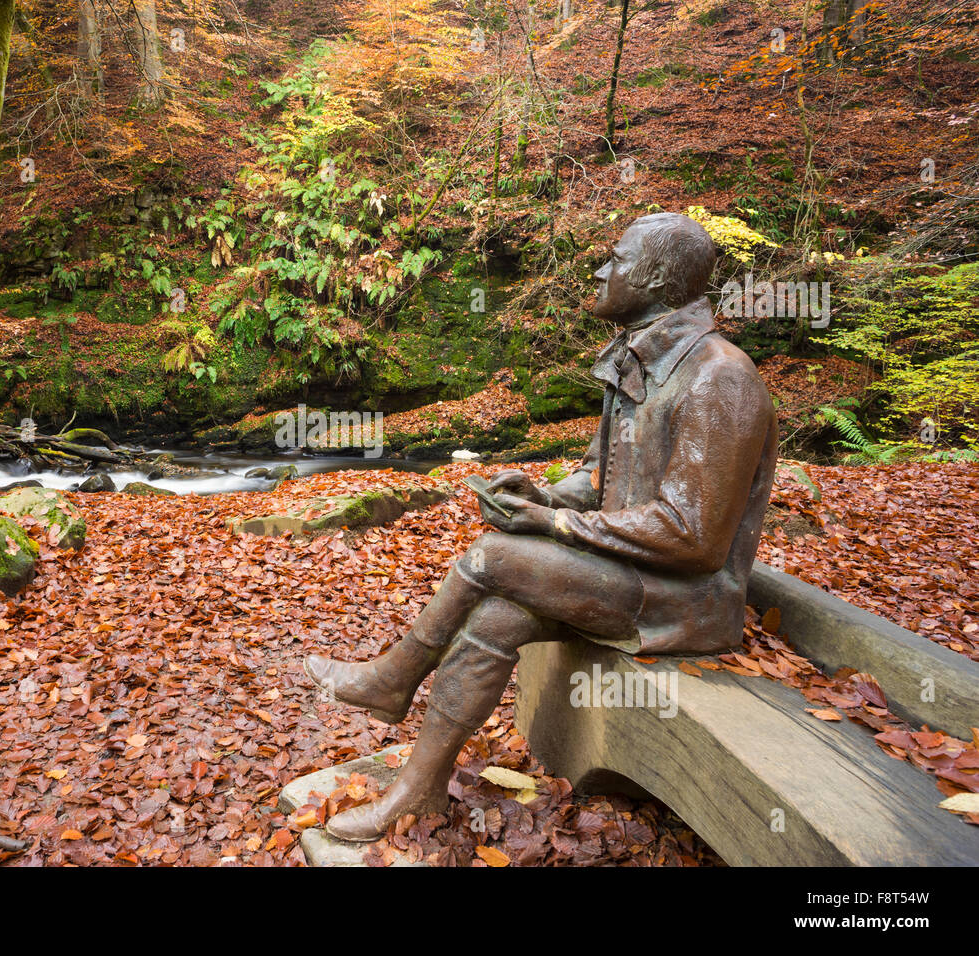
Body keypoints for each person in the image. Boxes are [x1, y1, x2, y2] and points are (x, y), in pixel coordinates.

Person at [304, 212, 779, 842]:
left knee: (496, 557)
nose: (601, 270)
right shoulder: (642, 360)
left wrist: (552, 524)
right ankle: (418, 793)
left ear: (660, 280)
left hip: (685, 599)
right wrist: (548, 494)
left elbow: (692, 537)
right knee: (495, 618)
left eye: (617, 258)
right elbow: (601, 475)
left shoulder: (719, 377)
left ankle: (390, 680)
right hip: (631, 572)